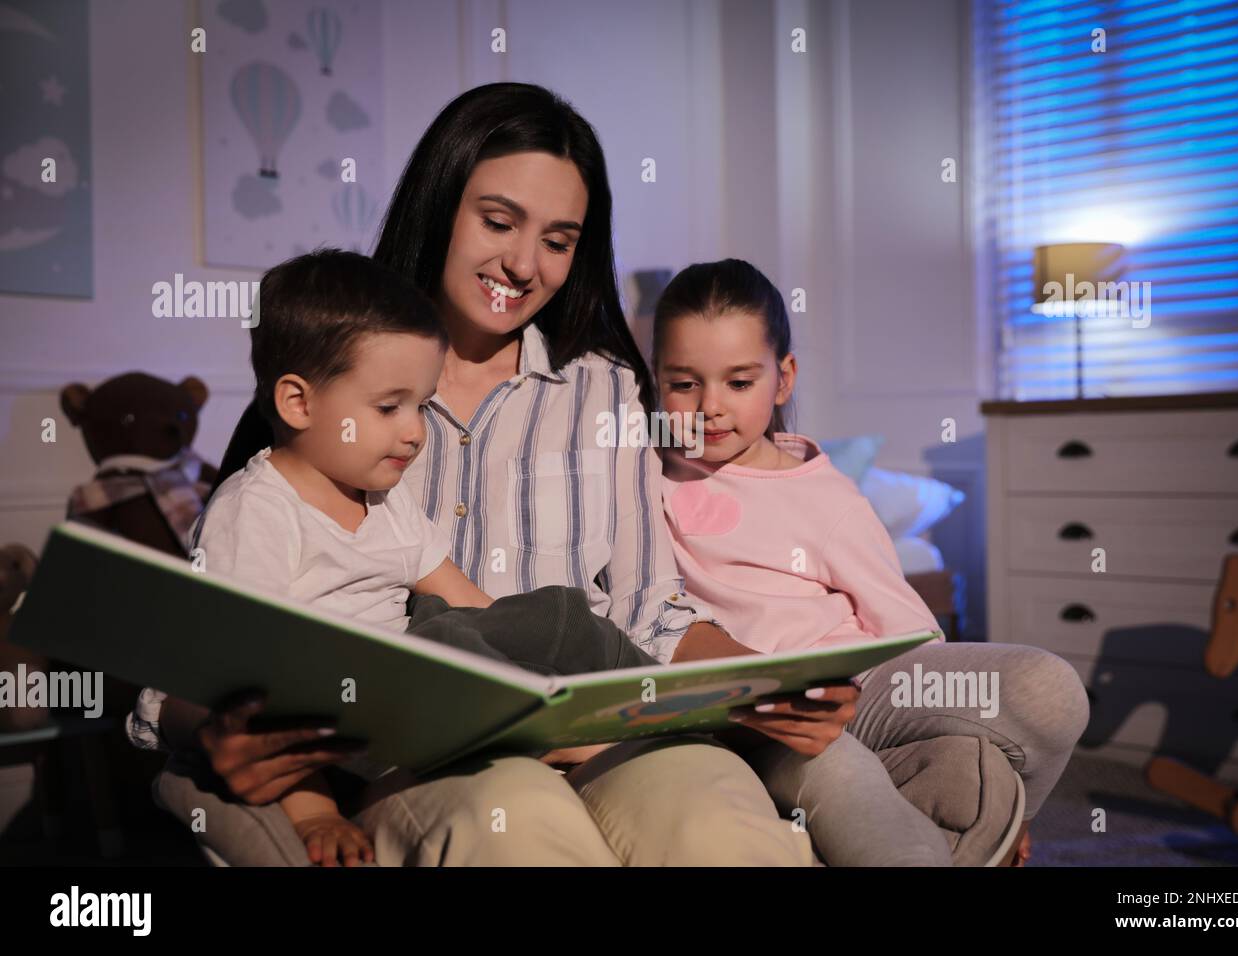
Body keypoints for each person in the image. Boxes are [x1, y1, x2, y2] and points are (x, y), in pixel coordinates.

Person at [130, 85, 833, 866]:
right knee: (516, 818)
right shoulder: (325, 396)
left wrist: (775, 685)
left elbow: (647, 610)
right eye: (498, 222)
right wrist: (212, 729)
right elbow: (192, 652)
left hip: (600, 738)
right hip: (421, 761)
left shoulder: (607, 390)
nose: (524, 265)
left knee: (717, 820)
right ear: (439, 205)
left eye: (560, 240)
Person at [652, 259, 1092, 865]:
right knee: (865, 807)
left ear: (783, 380)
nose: (710, 406)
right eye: (684, 383)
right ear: (655, 382)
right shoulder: (640, 478)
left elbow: (906, 631)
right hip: (760, 720)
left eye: (738, 381)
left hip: (865, 690)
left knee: (1050, 690)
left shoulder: (826, 494)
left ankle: (1006, 818)